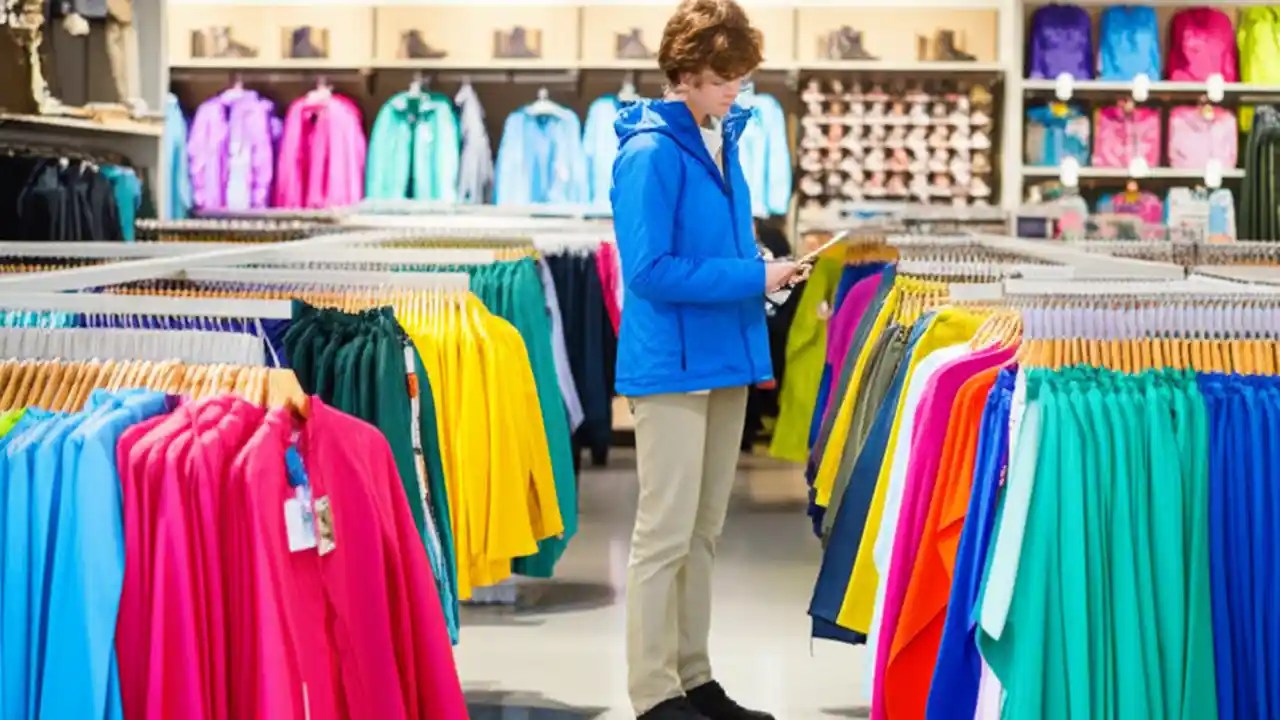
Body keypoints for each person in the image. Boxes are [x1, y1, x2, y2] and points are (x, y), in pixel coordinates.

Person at [609, 2, 806, 718]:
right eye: (725, 76)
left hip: (725, 354)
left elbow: (712, 252)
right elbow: (651, 270)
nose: (736, 89)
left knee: (704, 531)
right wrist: (755, 278)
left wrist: (762, 264)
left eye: (741, 77)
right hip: (671, 364)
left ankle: (694, 677)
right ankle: (654, 690)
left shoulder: (725, 139)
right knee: (663, 535)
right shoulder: (650, 154)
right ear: (685, 72)